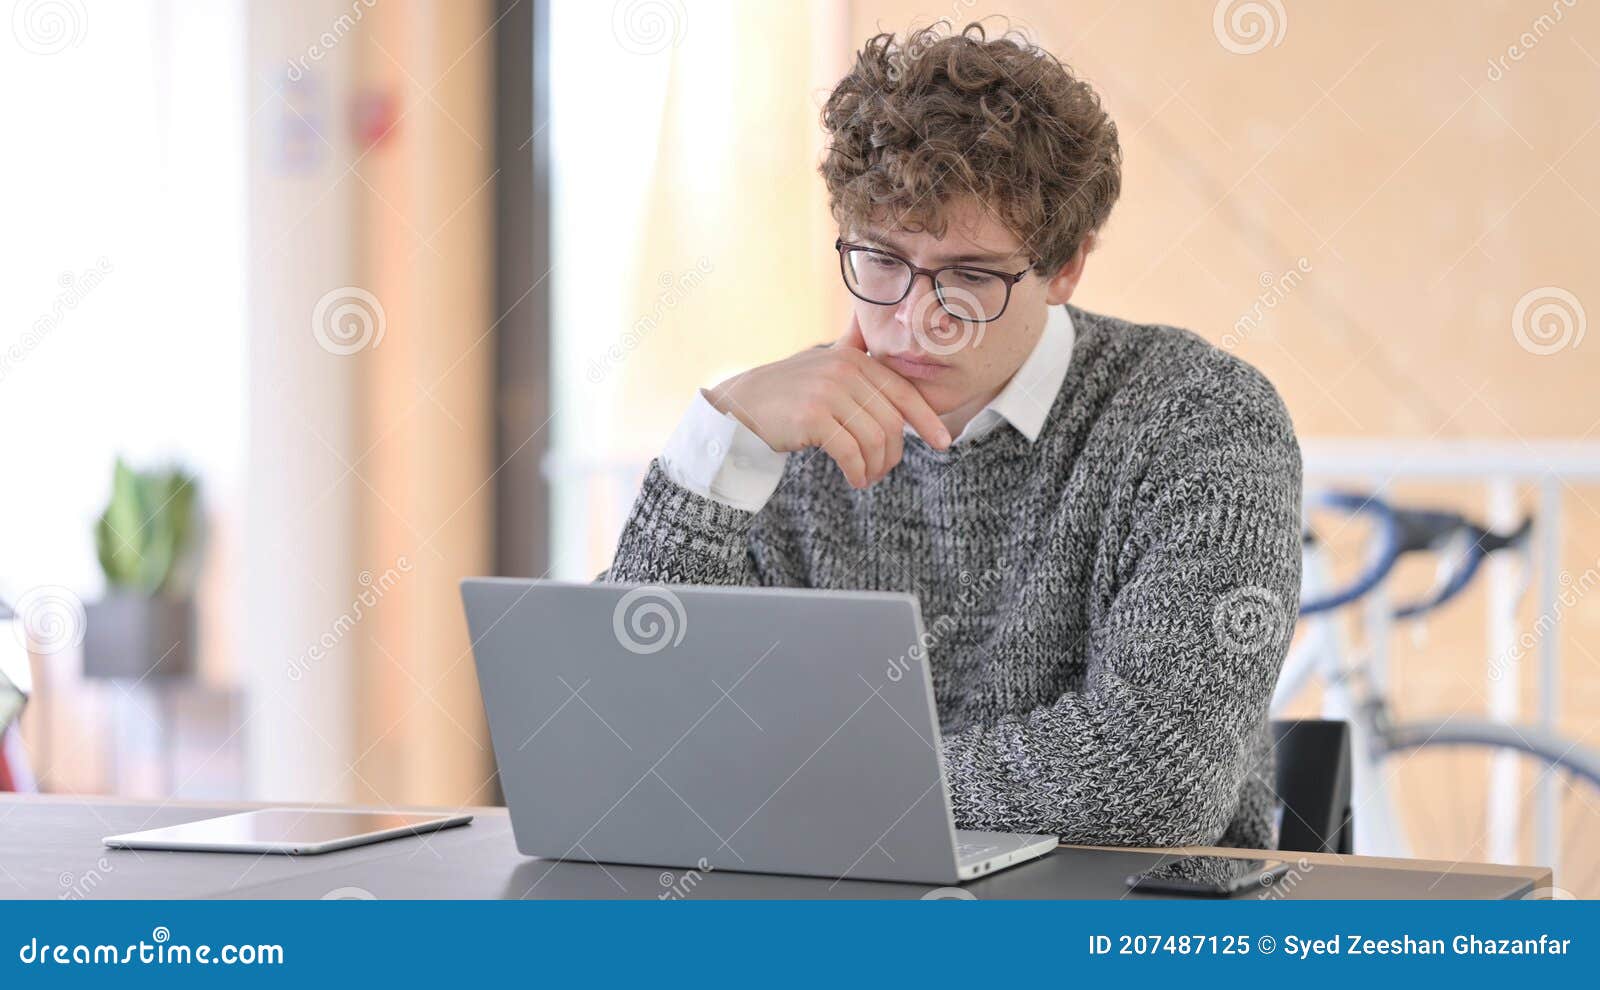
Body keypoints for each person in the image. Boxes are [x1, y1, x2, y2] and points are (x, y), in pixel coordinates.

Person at [603, 21, 1302, 849]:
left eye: (969, 277)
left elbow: (1154, 783)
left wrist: (785, 781)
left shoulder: (1201, 419)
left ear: (1067, 265)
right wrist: (721, 445)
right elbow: (621, 737)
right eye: (881, 260)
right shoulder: (786, 434)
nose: (916, 321)